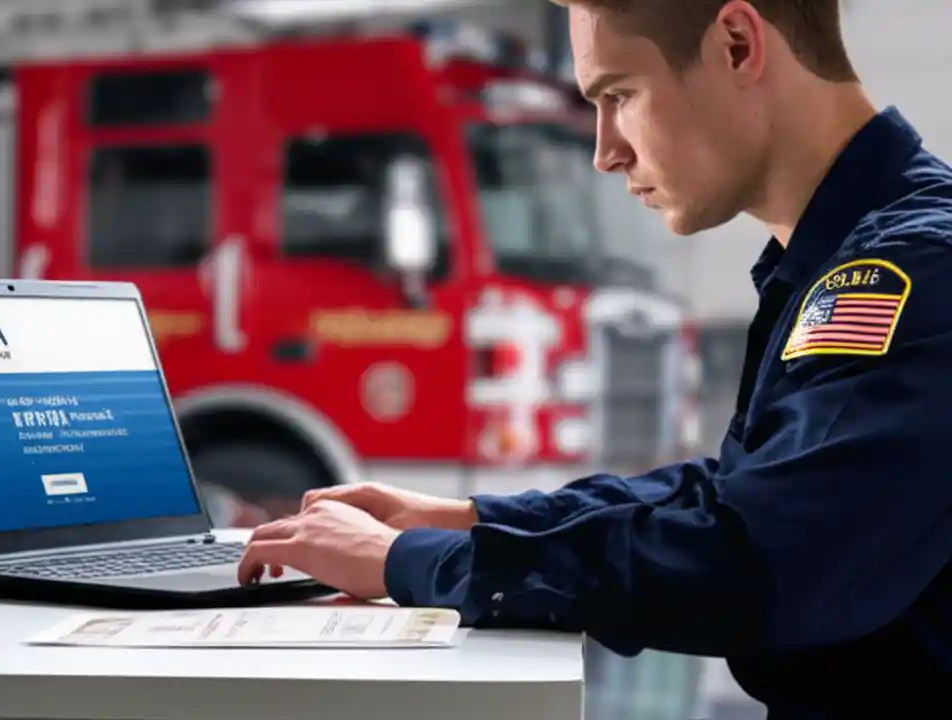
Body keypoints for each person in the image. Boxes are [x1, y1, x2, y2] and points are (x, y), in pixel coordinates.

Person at [237, 0, 952, 714]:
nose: (606, 150)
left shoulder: (915, 273)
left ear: (736, 44)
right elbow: (743, 495)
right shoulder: (847, 259)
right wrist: (466, 521)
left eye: (619, 94)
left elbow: (758, 565)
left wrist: (410, 563)